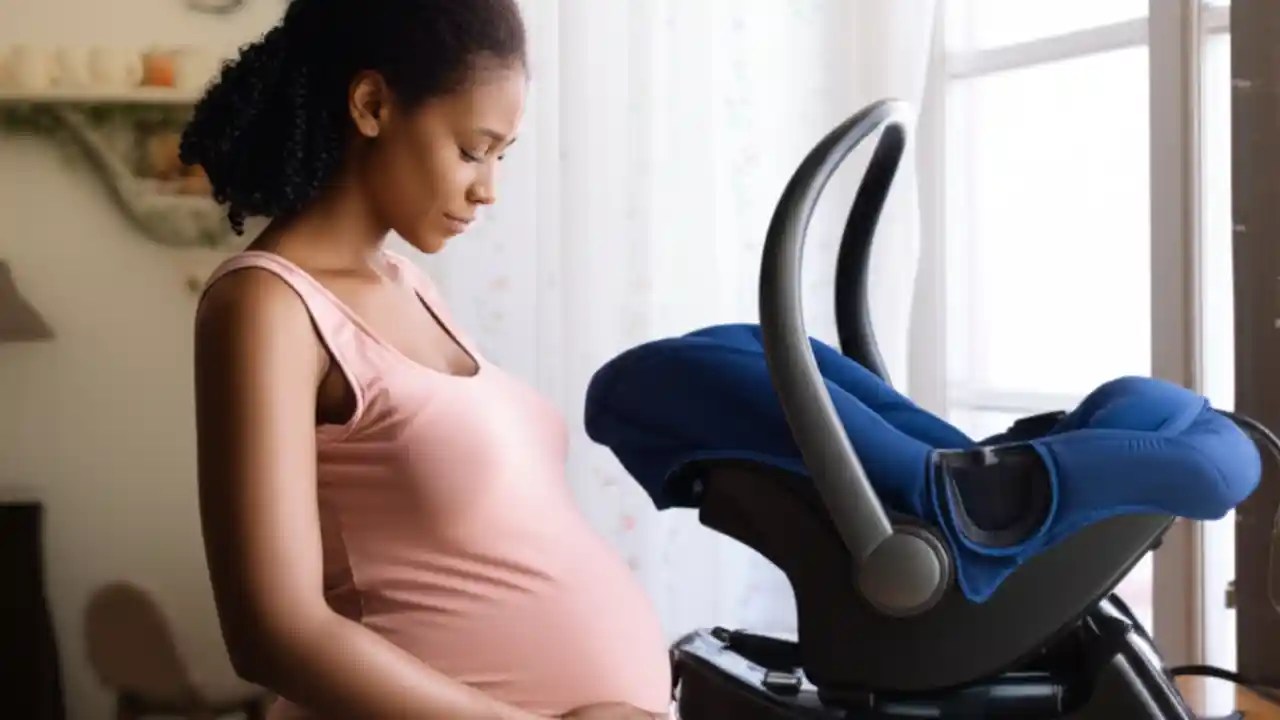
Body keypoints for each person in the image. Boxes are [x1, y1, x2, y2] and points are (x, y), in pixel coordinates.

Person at [184, 1, 674, 718]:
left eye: (502, 155)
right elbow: (272, 632)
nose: (488, 188)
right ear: (373, 104)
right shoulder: (268, 305)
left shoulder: (410, 285)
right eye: (473, 149)